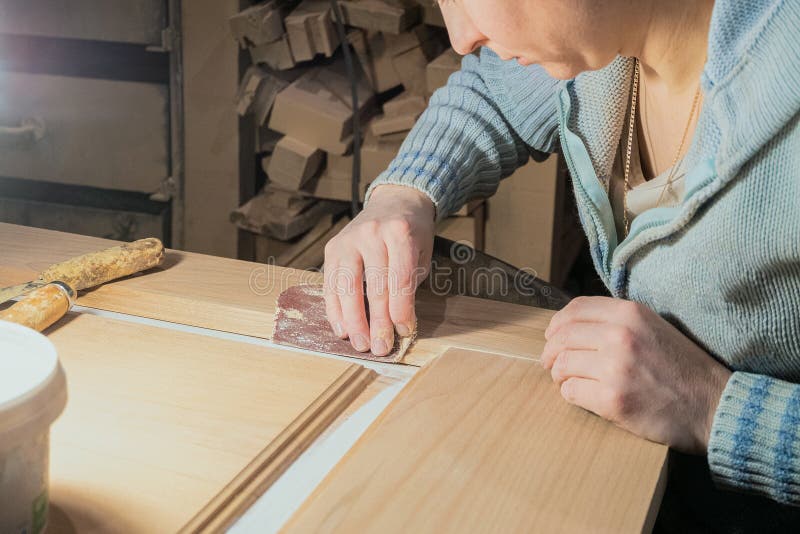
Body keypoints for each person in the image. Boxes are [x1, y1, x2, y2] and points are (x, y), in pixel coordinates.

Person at [323, 0, 800, 525]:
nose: (460, 38)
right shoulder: (606, 33)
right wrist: (404, 194)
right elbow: (493, 92)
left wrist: (713, 408)